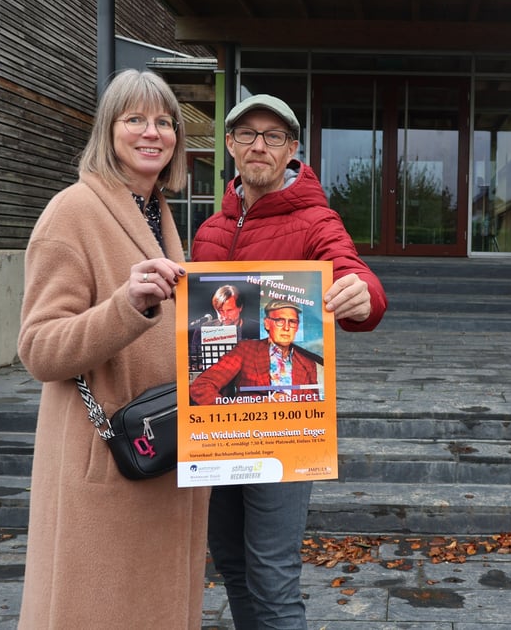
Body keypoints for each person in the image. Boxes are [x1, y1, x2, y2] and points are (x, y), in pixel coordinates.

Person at [16, 69, 209, 628]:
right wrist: (126, 306)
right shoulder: (72, 210)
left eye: (165, 122)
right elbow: (38, 347)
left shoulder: (159, 212)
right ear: (109, 130)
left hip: (163, 458)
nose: (153, 132)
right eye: (135, 120)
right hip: (106, 461)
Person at [192, 93, 387, 628]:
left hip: (285, 431)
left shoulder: (315, 220)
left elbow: (353, 272)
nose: (259, 145)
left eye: (273, 136)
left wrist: (363, 294)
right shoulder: (209, 231)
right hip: (215, 429)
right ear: (229, 145)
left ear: (291, 149)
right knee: (231, 563)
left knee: (272, 573)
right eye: (247, 134)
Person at [189, 299, 319, 404]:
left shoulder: (307, 362)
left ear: (297, 327)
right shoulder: (245, 350)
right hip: (251, 430)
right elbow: (201, 387)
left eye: (292, 322)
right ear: (267, 324)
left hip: (294, 431)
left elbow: (315, 405)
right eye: (279, 321)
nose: (286, 327)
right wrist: (242, 409)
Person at [189, 283, 260, 371]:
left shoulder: (257, 329)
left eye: (229, 310)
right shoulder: (203, 329)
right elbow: (195, 362)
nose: (225, 316)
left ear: (240, 308)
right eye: (220, 311)